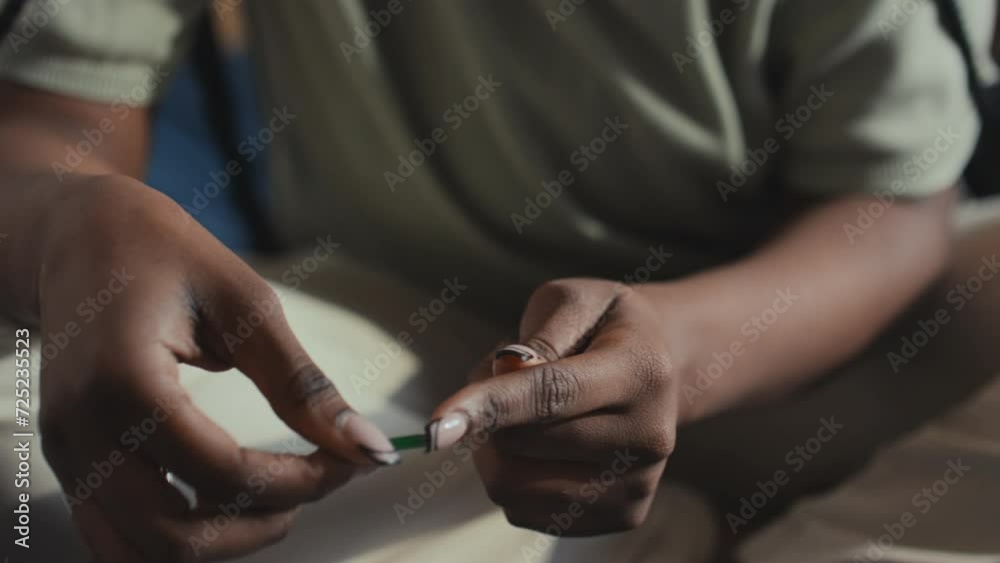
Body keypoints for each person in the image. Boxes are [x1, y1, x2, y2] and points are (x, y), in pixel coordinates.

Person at [0, 1, 998, 562]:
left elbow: (892, 206)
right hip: (401, 353)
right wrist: (65, 218)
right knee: (18, 434)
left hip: (815, 352)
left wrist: (680, 356)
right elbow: (53, 119)